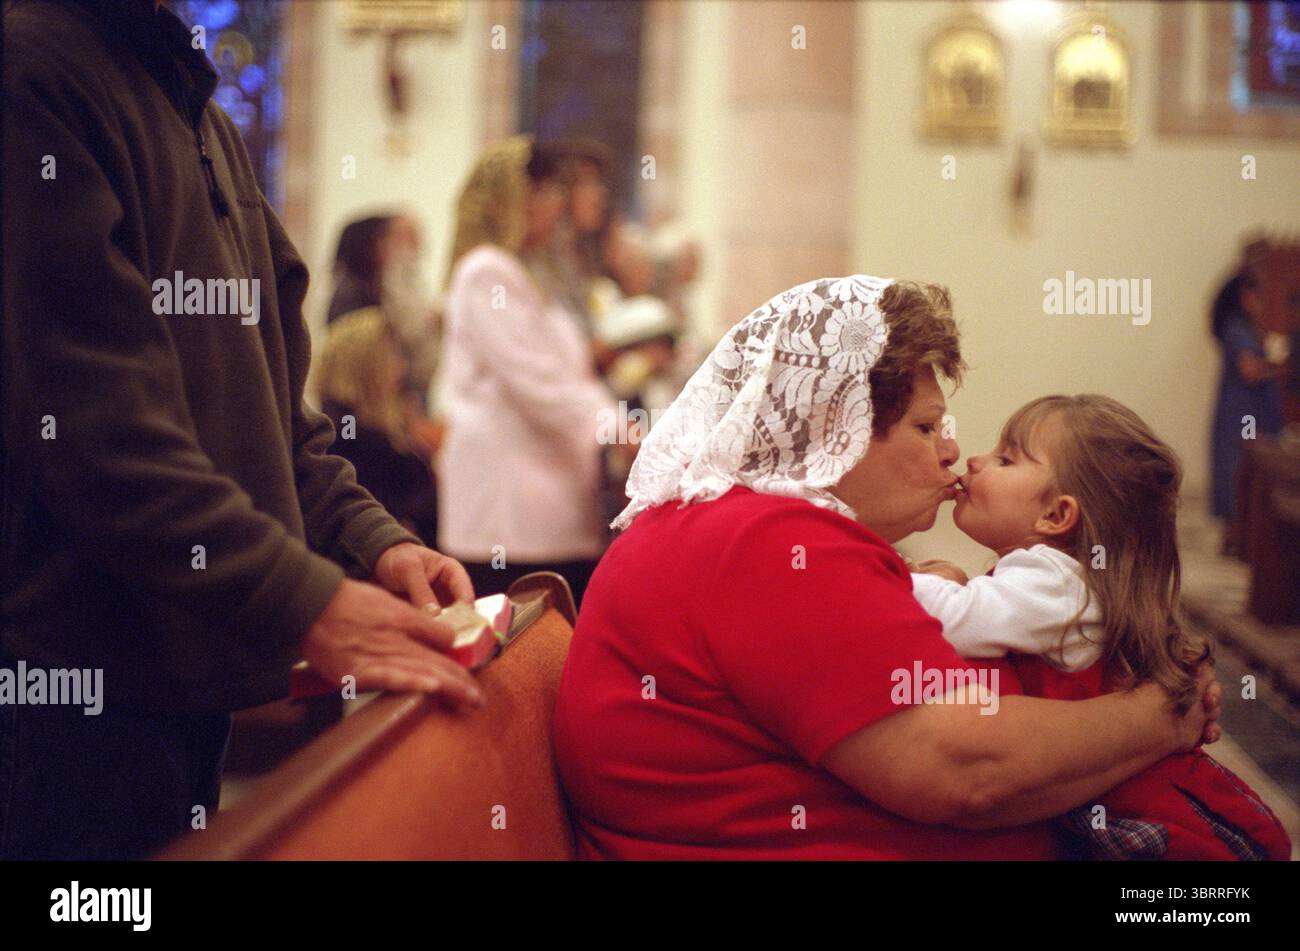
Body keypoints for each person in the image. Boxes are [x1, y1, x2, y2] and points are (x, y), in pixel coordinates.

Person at [1, 0, 481, 861]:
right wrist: (303, 601)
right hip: (66, 688)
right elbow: (93, 428)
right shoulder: (32, 68)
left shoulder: (198, 111)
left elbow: (270, 409)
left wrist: (368, 538)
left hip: (181, 674)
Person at [552, 275, 1222, 859]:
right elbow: (967, 770)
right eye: (927, 428)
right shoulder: (769, 542)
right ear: (833, 429)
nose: (954, 453)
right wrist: (1161, 716)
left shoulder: (755, 525)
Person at [909, 394, 1290, 860]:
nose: (973, 459)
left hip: (1131, 817)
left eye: (1004, 458)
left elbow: (957, 620)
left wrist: (901, 575)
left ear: (1057, 516)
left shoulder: (1057, 579)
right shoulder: (1058, 578)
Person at [438, 136, 619, 607]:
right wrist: (620, 428)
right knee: (517, 660)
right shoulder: (486, 272)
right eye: (541, 193)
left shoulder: (529, 272)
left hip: (552, 496)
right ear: (509, 200)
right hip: (511, 510)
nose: (554, 205)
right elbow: (539, 385)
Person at [316, 308, 440, 546]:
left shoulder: (349, 423)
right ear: (366, 365)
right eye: (393, 355)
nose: (401, 368)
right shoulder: (353, 435)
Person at [1209, 270, 1285, 542]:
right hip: (1243, 415)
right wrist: (1277, 368)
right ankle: (1238, 535)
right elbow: (1250, 371)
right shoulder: (1238, 329)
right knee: (1239, 470)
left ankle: (1238, 535)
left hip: (1241, 412)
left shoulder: (1240, 328)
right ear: (1245, 296)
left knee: (1238, 469)